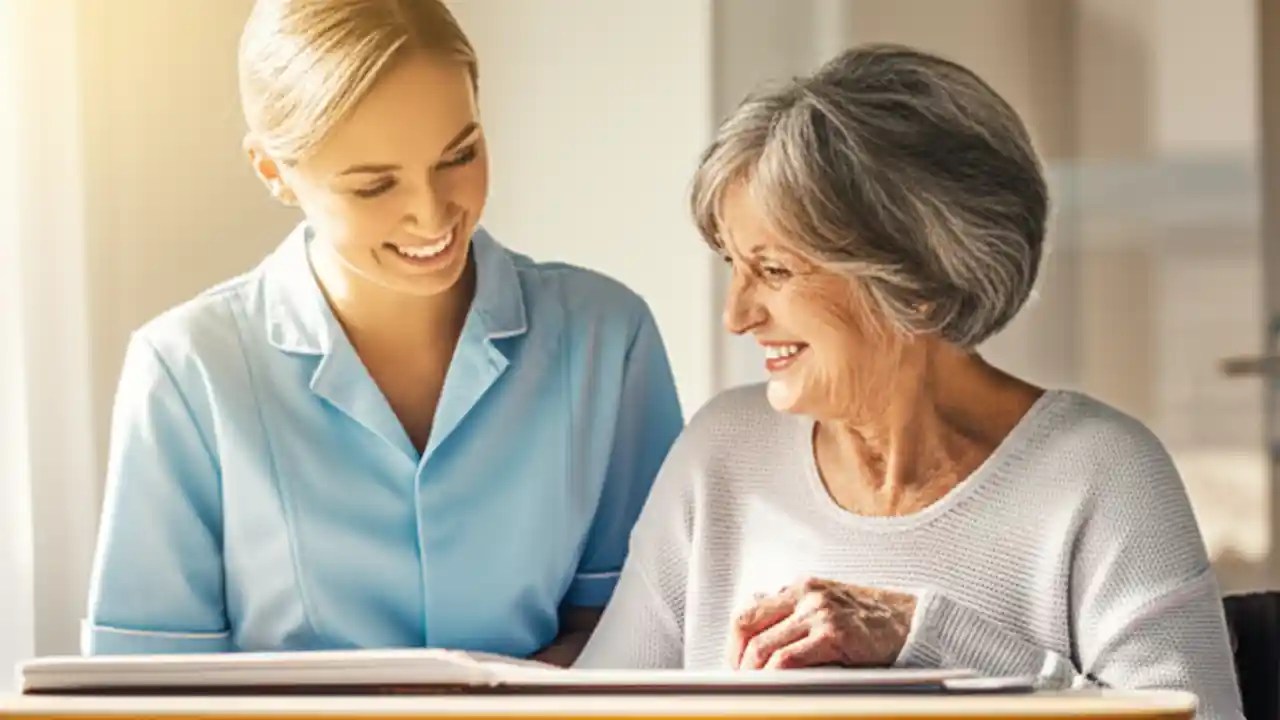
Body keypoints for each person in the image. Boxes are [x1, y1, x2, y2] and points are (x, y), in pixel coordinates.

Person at [576, 44, 1243, 718]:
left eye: (774, 271)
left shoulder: (1102, 473)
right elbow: (591, 712)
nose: (737, 315)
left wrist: (925, 636)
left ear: (915, 280)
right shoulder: (722, 452)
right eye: (733, 264)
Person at [83, 0, 682, 666]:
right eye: (373, 186)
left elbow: (647, 629)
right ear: (272, 171)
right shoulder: (186, 371)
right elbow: (142, 686)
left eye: (459, 154)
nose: (431, 215)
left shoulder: (607, 338)